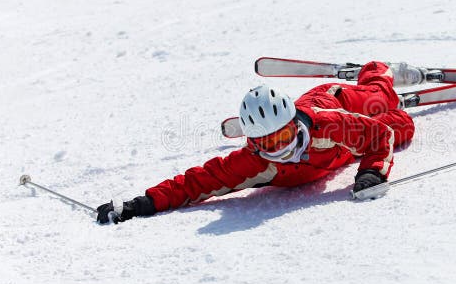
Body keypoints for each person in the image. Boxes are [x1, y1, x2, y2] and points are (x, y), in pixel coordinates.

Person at [96, 61, 425, 223]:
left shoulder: (328, 125)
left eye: (283, 135)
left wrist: (372, 173)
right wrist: (139, 205)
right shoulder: (252, 161)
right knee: (404, 126)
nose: (279, 148)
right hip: (341, 150)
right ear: (252, 142)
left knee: (380, 98)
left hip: (332, 101)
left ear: (293, 123)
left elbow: (379, 138)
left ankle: (381, 69)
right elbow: (194, 183)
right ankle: (392, 104)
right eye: (267, 142)